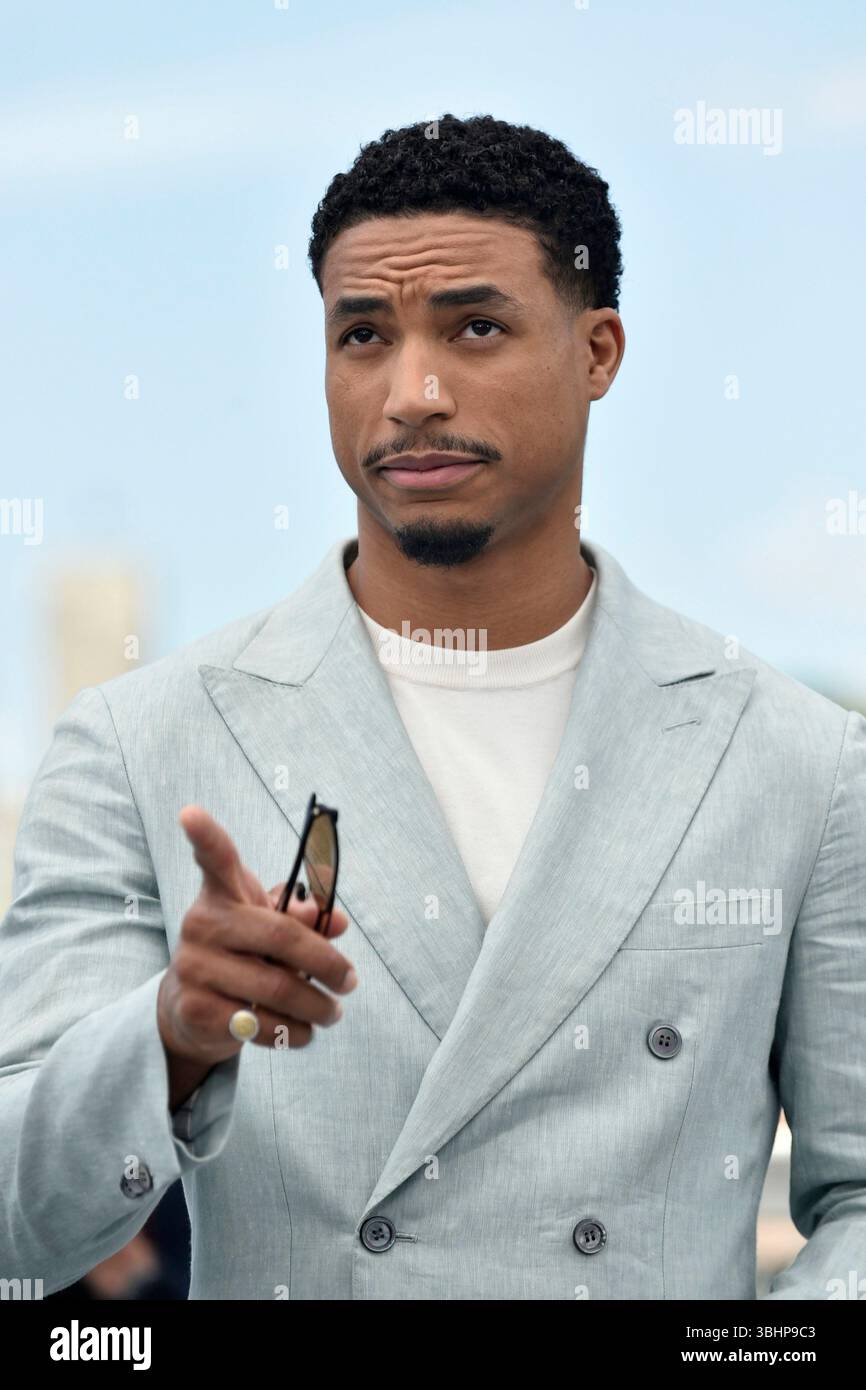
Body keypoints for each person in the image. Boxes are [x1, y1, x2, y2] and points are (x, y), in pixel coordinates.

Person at [1, 114, 864, 1301]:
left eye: (474, 327)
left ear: (597, 351)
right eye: (362, 334)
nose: (410, 393)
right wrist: (169, 1037)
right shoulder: (139, 743)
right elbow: (16, 1221)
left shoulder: (799, 762)